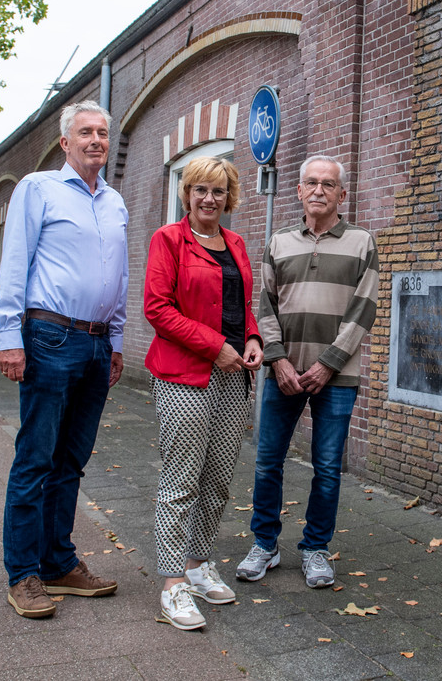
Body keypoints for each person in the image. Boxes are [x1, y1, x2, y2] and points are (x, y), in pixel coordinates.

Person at [0, 100, 129, 619]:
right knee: (36, 459)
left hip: (96, 345)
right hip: (48, 338)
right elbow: (15, 263)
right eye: (85, 132)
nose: (96, 139)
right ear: (65, 142)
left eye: (102, 132)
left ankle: (57, 562)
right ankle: (24, 574)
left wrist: (115, 342)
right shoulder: (38, 188)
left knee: (71, 461)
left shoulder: (115, 202)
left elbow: (119, 276)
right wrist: (9, 336)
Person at [236, 155, 379, 589]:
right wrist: (277, 358)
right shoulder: (278, 242)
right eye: (311, 183)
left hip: (336, 376)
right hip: (283, 372)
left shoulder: (361, 242)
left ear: (342, 194)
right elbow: (264, 305)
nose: (318, 190)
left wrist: (327, 364)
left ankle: (316, 548)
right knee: (267, 464)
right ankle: (265, 544)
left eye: (328, 184)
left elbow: (364, 309)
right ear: (298, 190)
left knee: (328, 467)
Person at [143, 156, 264, 630]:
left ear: (227, 197)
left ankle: (197, 564)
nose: (208, 199)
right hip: (184, 375)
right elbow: (157, 308)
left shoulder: (234, 242)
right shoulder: (168, 240)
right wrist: (217, 348)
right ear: (187, 194)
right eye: (199, 190)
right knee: (182, 480)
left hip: (235, 374)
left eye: (217, 191)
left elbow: (242, 306)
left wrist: (251, 339)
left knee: (217, 478)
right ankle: (173, 584)